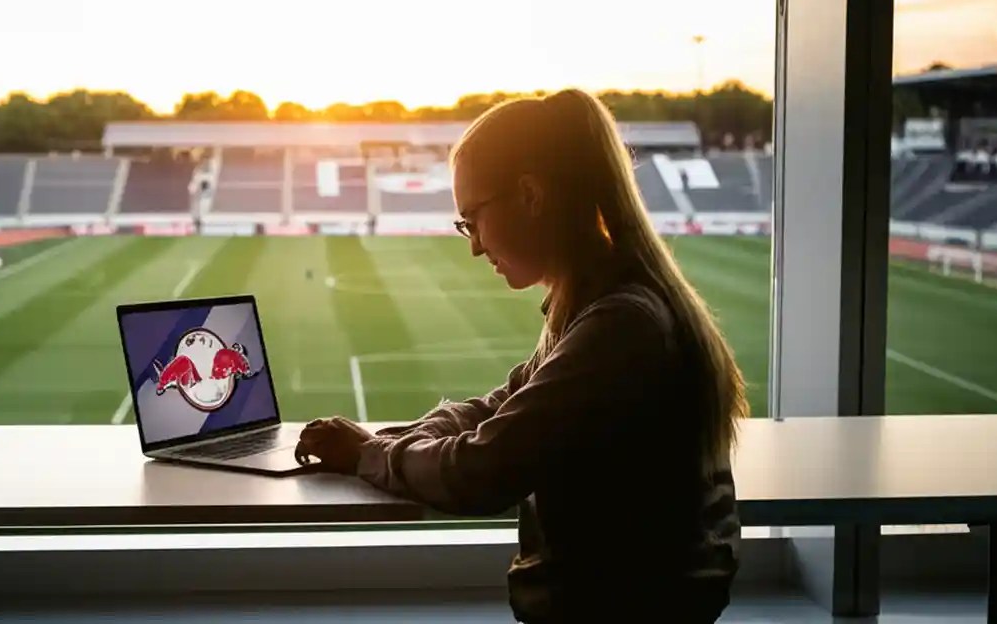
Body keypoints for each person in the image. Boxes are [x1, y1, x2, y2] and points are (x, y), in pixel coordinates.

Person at [295, 89, 749, 622]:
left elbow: (485, 469)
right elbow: (507, 402)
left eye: (473, 218)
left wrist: (369, 456)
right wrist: (396, 438)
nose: (474, 245)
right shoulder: (604, 299)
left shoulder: (620, 324)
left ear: (531, 195)